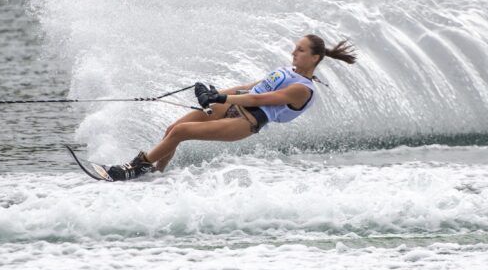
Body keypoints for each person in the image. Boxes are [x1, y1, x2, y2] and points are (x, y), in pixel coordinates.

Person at [105, 34, 357, 180]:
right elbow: (250, 88)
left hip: (245, 122)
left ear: (314, 58)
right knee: (174, 129)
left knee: (181, 133)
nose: (294, 53)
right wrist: (214, 94)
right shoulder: (286, 71)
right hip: (233, 107)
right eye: (295, 48)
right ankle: (156, 175)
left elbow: (259, 100)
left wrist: (222, 101)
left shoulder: (302, 89)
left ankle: (133, 168)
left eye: (300, 50)